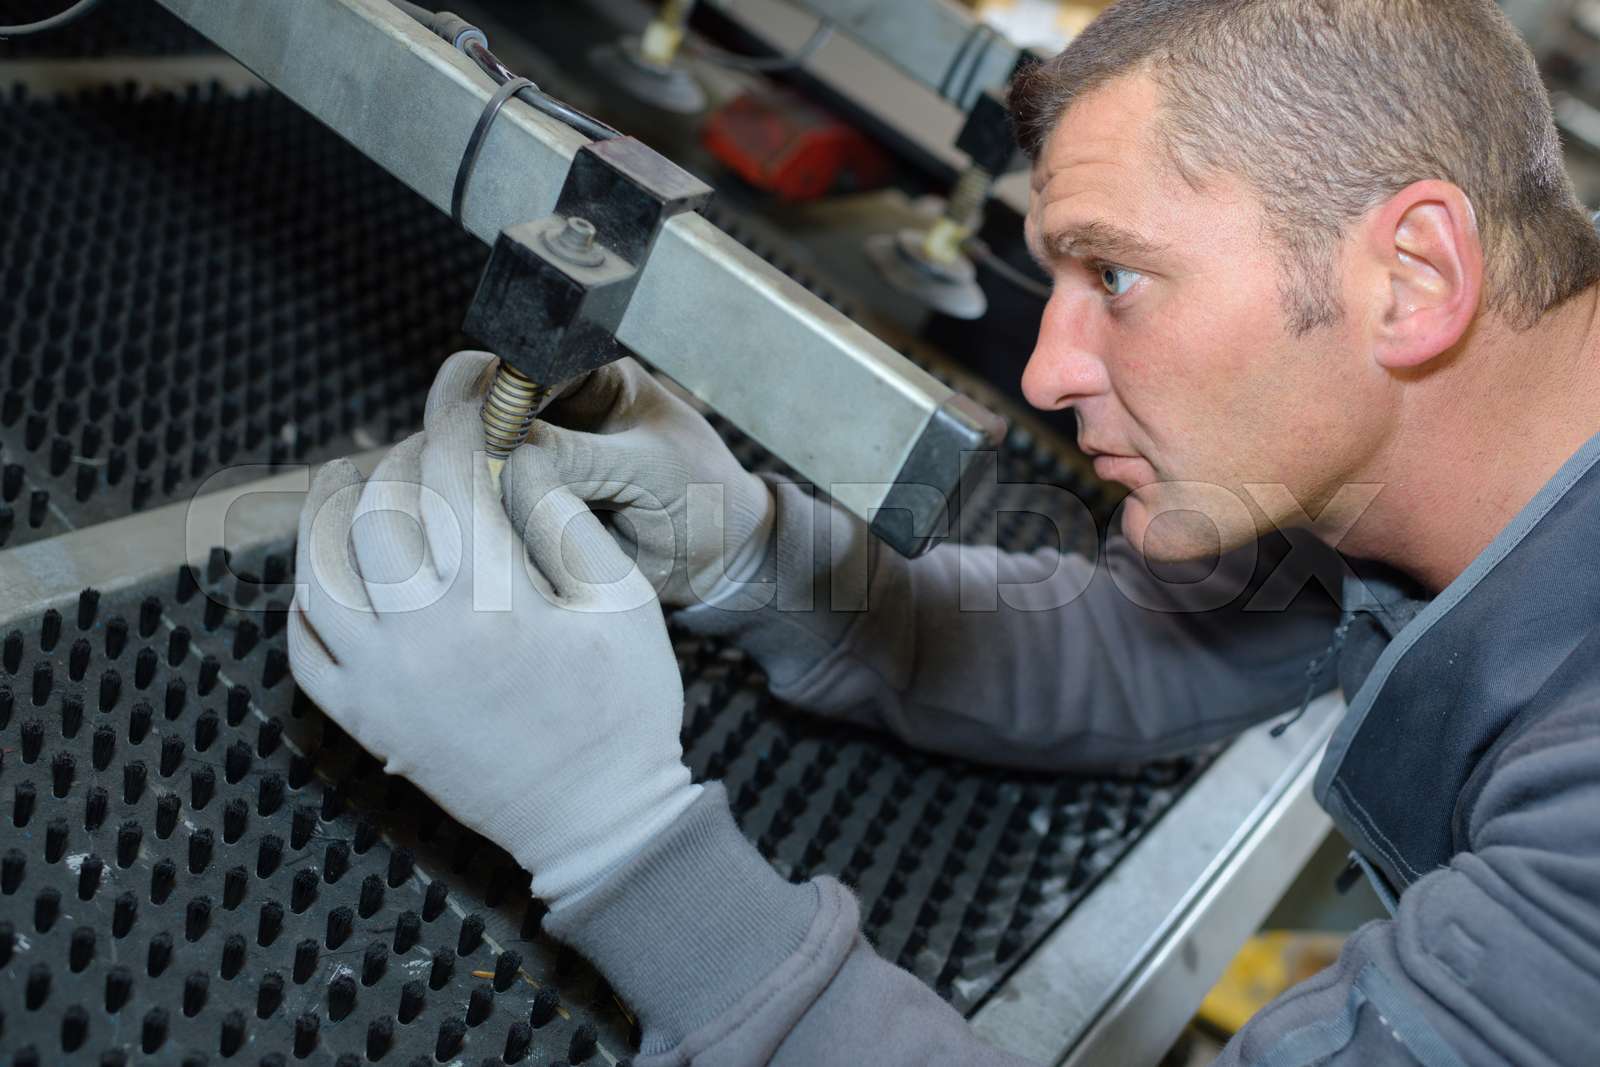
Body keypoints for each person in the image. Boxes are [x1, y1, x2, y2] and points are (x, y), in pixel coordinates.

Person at [288, 0, 1600, 1063]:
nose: (1045, 370)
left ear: (1415, 277)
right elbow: (1161, 649)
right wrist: (775, 561)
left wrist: (623, 843)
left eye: (1117, 276)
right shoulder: (1434, 476)